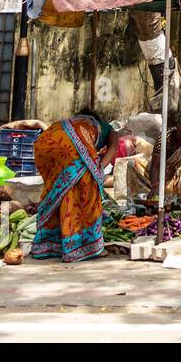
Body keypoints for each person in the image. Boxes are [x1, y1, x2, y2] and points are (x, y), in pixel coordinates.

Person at [31, 109, 128, 263]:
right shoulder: (108, 129)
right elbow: (113, 148)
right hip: (69, 148)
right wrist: (98, 169)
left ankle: (50, 245)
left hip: (43, 144)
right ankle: (84, 246)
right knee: (84, 195)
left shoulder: (71, 123)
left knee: (59, 193)